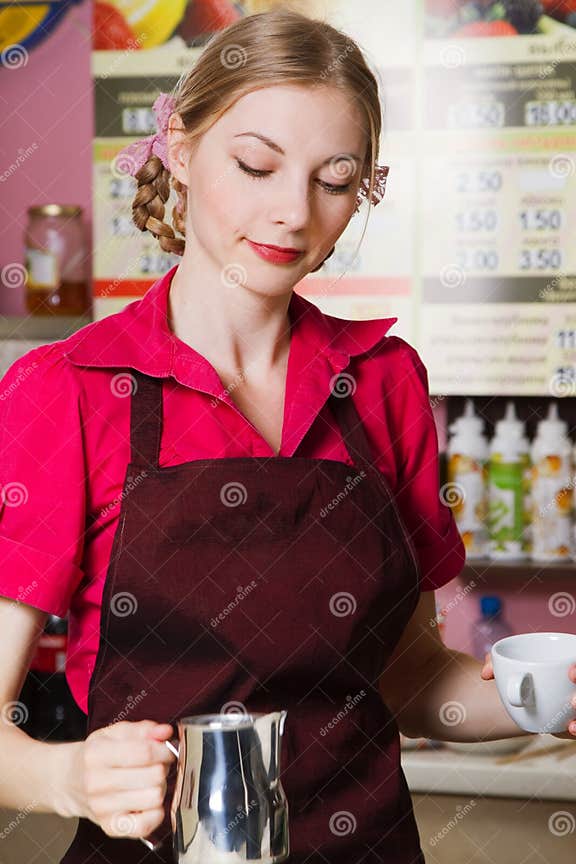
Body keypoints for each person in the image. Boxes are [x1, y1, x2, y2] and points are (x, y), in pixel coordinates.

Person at [1, 8, 575, 864]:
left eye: (334, 179)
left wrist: (545, 698)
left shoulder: (383, 381)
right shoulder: (67, 391)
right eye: (256, 165)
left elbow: (412, 678)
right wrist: (68, 778)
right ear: (183, 151)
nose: (292, 214)